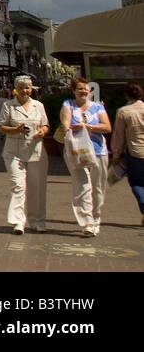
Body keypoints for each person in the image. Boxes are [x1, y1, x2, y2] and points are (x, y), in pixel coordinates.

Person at [61, 77, 112, 237]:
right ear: (74, 90)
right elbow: (65, 124)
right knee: (82, 186)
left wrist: (87, 126)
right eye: (80, 89)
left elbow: (107, 127)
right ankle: (87, 223)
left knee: (98, 187)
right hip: (77, 152)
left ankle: (96, 217)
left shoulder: (98, 107)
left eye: (86, 89)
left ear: (90, 91)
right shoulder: (67, 105)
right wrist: (68, 127)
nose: (83, 91)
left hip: (98, 151)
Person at [0, 75, 48, 235]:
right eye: (21, 88)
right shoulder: (8, 106)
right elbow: (1, 127)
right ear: (15, 90)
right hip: (14, 150)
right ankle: (18, 222)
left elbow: (45, 125)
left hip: (35, 150)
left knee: (36, 187)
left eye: (27, 88)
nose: (25, 91)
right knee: (18, 186)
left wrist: (43, 131)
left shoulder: (38, 105)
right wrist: (16, 129)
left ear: (31, 89)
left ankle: (37, 221)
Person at [109, 81, 144, 226]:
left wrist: (116, 156)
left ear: (126, 95)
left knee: (136, 183)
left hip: (135, 153)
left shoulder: (124, 111)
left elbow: (119, 136)